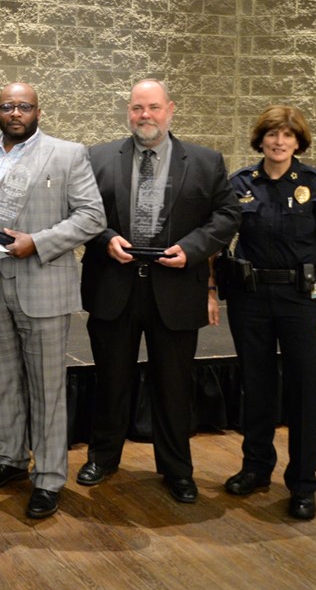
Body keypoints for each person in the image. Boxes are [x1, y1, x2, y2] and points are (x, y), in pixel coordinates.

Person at [78, 78, 241, 504]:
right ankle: (103, 457)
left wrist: (193, 250)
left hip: (176, 290)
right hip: (114, 287)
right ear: (128, 112)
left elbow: (227, 215)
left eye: (152, 107)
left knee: (173, 386)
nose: (144, 115)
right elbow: (80, 211)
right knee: (111, 380)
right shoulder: (96, 158)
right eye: (137, 108)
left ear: (170, 109)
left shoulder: (205, 161)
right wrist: (105, 239)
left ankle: (177, 469)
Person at [0, 83, 105, 519]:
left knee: (46, 388)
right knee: (3, 381)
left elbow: (92, 217)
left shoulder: (67, 154)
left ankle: (48, 477)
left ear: (38, 110)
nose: (15, 112)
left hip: (42, 284)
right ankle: (9, 458)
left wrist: (38, 242)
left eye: (24, 106)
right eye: (8, 106)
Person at [219, 105, 316, 520]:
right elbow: (217, 237)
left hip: (303, 300)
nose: (279, 142)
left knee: (304, 394)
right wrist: (209, 290)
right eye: (273, 134)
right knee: (255, 386)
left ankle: (303, 484)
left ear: (298, 142)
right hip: (251, 299)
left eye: (288, 135)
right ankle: (256, 468)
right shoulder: (240, 183)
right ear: (261, 139)